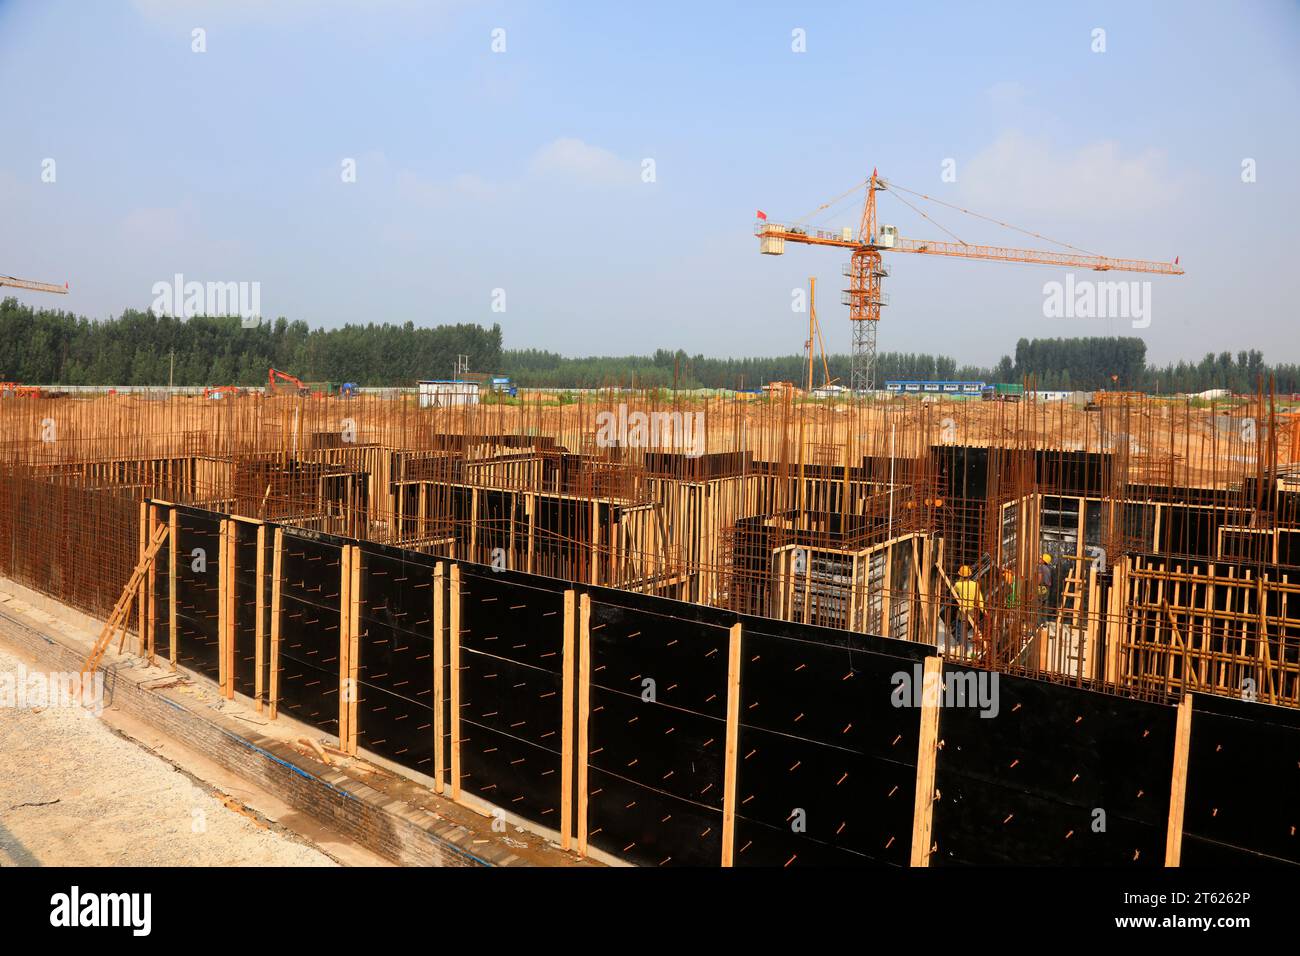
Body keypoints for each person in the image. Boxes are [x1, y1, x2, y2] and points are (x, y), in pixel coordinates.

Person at [952, 564, 983, 654]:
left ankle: (961, 645)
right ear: (969, 575)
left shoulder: (958, 585)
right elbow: (979, 599)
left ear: (960, 575)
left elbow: (953, 592)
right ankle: (973, 643)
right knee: (970, 627)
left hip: (962, 612)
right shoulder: (975, 585)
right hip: (971, 611)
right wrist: (983, 609)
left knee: (959, 626)